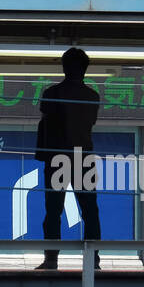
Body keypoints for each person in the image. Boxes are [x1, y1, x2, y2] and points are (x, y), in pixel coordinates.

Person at [35, 47, 101, 270]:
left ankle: (51, 258)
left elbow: (45, 124)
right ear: (85, 69)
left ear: (64, 67)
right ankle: (94, 260)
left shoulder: (51, 93)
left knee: (53, 209)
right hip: (84, 156)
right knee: (90, 210)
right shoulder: (93, 96)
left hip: (57, 156)